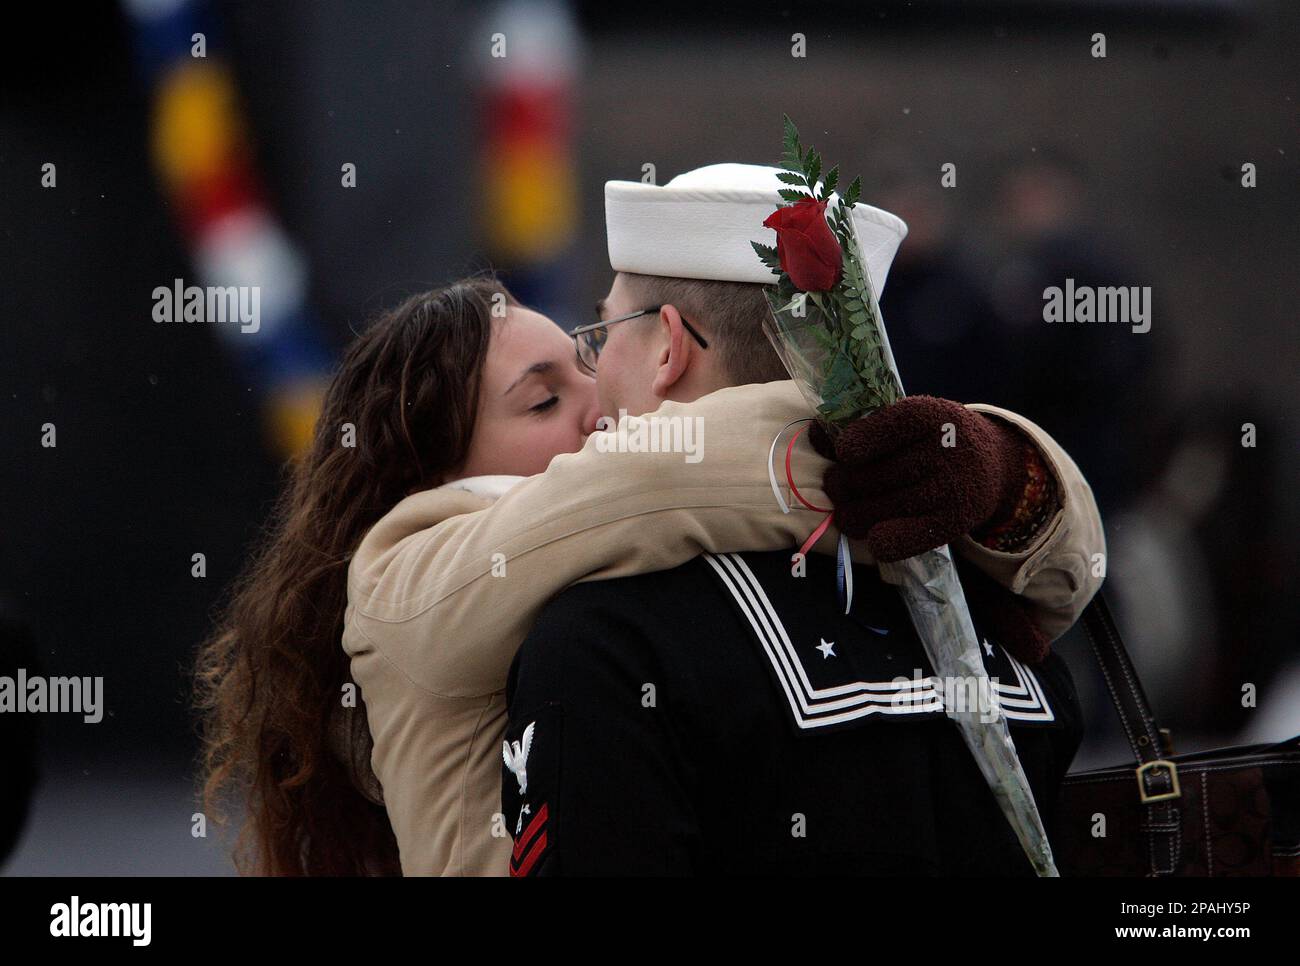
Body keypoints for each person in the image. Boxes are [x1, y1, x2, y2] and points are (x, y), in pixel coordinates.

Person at [198, 181, 1102, 878]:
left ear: (668, 346)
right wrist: (967, 459)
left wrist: (991, 472)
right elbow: (648, 481)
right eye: (544, 398)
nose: (597, 410)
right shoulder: (428, 574)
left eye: (596, 345)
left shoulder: (632, 617)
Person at [499, 163, 1104, 875]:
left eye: (602, 335)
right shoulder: (1000, 614)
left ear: (667, 346)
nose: (593, 381)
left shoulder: (608, 643)